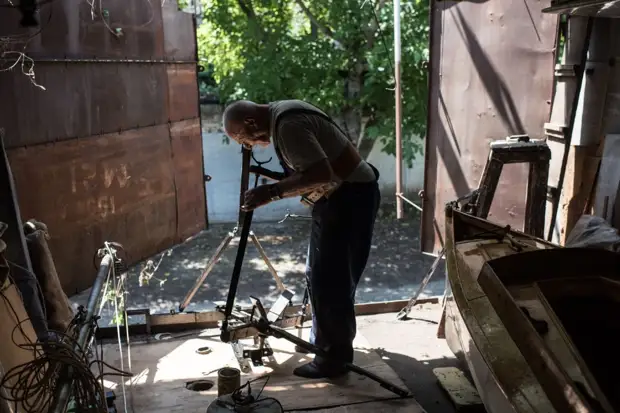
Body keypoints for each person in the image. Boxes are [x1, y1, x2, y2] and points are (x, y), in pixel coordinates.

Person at [222, 99, 380, 379]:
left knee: (331, 281)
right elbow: (310, 169)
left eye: (243, 138)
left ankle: (333, 360)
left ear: (250, 122)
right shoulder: (285, 113)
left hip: (348, 199)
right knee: (319, 276)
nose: (249, 144)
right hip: (343, 198)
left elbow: (320, 174)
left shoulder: (288, 126)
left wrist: (270, 193)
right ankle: (323, 344)